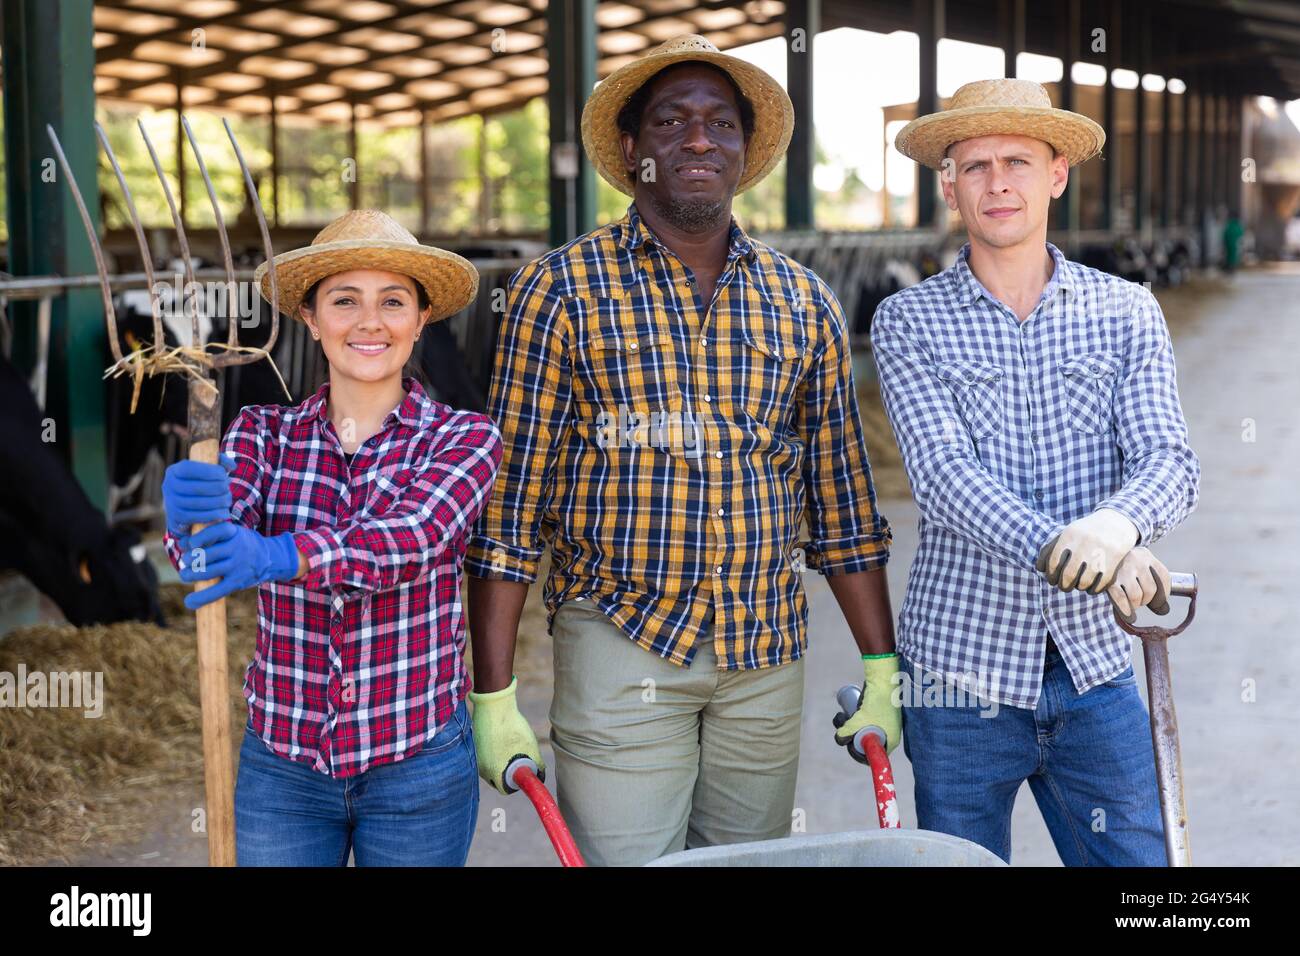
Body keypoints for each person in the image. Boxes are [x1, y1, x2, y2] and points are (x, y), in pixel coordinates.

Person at [463, 35, 896, 866]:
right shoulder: (557, 293)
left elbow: (843, 505)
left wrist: (881, 670)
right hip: (623, 643)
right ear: (632, 152)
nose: (699, 140)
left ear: (744, 150)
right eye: (672, 120)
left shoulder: (803, 303)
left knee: (749, 863)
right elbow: (507, 513)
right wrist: (495, 693)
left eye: (721, 123)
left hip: (764, 655)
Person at [876, 78, 1201, 865]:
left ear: (1057, 173)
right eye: (975, 164)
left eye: (1018, 160)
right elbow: (945, 478)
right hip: (958, 678)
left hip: (1095, 664)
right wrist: (1078, 549)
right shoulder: (908, 321)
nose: (998, 182)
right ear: (949, 184)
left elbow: (1167, 457)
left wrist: (1118, 525)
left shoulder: (1126, 310)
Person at [159, 209, 500, 866]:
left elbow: (413, 538)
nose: (369, 322)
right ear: (310, 318)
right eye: (345, 301)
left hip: (417, 762)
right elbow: (201, 553)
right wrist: (196, 520)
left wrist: (281, 553)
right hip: (283, 767)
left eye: (392, 301)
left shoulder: (465, 438)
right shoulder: (261, 432)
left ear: (421, 318)